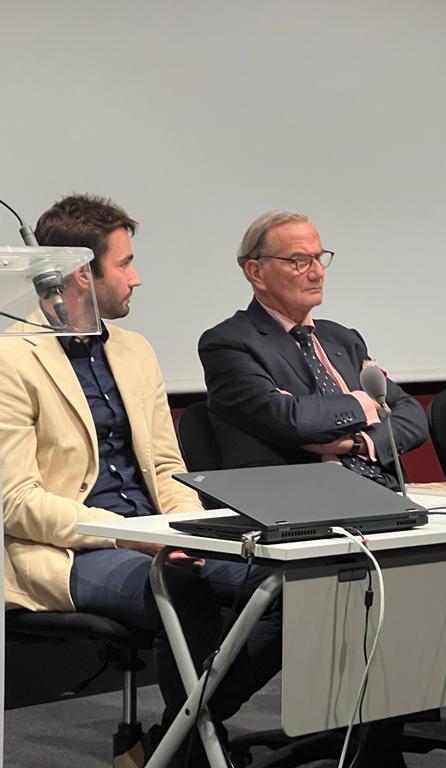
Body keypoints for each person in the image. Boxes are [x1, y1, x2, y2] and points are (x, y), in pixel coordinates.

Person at [0, 194, 281, 765]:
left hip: (159, 531)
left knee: (294, 582)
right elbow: (17, 503)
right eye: (124, 264)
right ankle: (193, 754)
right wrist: (132, 535)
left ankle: (172, 742)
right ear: (80, 274)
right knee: (180, 589)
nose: (137, 278)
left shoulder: (134, 351)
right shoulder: (12, 358)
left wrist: (191, 530)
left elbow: (166, 468)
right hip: (69, 547)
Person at [198, 210, 427, 489]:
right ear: (256, 272)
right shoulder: (229, 343)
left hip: (386, 490)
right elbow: (292, 420)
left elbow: (411, 414)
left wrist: (358, 443)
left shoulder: (343, 339)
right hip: (299, 501)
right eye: (300, 261)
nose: (317, 272)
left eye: (319, 258)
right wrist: (367, 404)